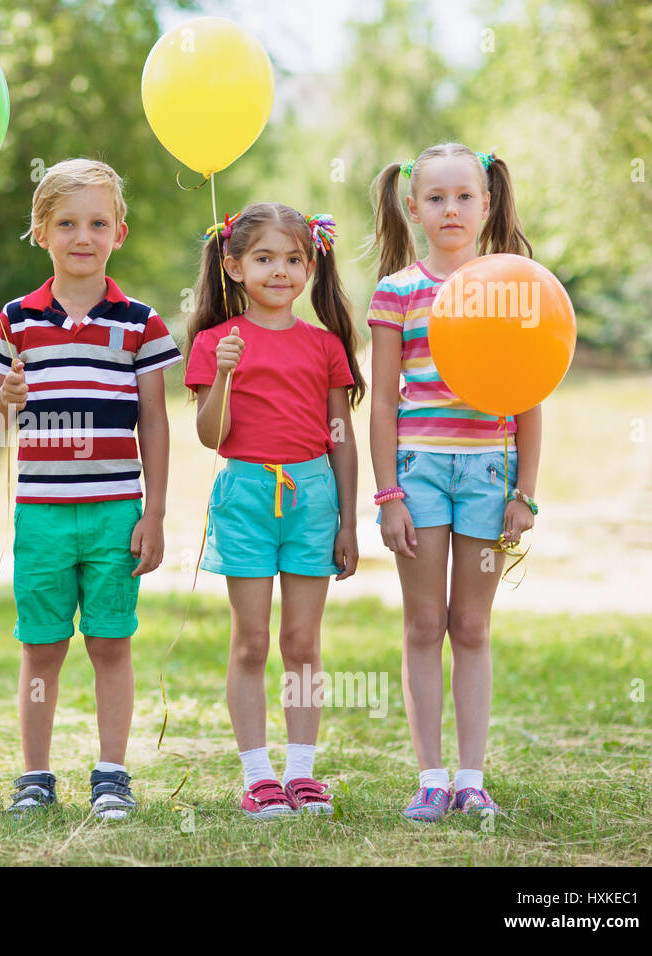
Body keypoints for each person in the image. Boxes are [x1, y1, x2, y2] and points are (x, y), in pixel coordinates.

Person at [0, 158, 180, 820]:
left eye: (98, 223)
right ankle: (35, 775)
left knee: (110, 642)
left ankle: (111, 773)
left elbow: (154, 419)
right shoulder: (17, 320)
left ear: (119, 232)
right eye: (66, 223)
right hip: (41, 513)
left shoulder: (140, 324)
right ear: (43, 232)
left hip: (115, 512)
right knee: (41, 647)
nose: (82, 237)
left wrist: (154, 512)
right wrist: (6, 398)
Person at [367, 143, 540, 821]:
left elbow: (530, 397)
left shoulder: (513, 288)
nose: (450, 210)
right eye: (435, 198)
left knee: (470, 624)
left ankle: (472, 776)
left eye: (464, 196)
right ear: (412, 209)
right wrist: (388, 496)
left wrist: (524, 492)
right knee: (423, 622)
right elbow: (382, 403)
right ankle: (431, 777)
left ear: (487, 203)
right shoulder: (397, 292)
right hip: (420, 473)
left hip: (489, 474)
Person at [184, 202, 363, 819]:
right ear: (234, 266)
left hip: (313, 496)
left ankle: (303, 772)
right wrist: (226, 377)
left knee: (302, 640)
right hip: (246, 497)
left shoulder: (325, 345)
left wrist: (349, 520)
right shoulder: (215, 344)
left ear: (310, 265)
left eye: (293, 259)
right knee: (252, 640)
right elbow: (212, 436)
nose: (280, 271)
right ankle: (258, 775)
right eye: (264, 259)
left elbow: (341, 433)